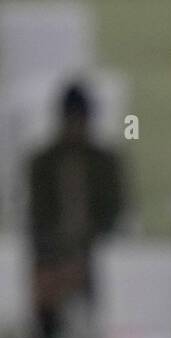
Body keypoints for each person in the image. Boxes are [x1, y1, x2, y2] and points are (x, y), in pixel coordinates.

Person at [28, 82, 127, 288]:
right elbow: (38, 214)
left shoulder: (104, 162)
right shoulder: (44, 162)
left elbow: (114, 207)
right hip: (51, 254)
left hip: (95, 249)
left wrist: (90, 244)